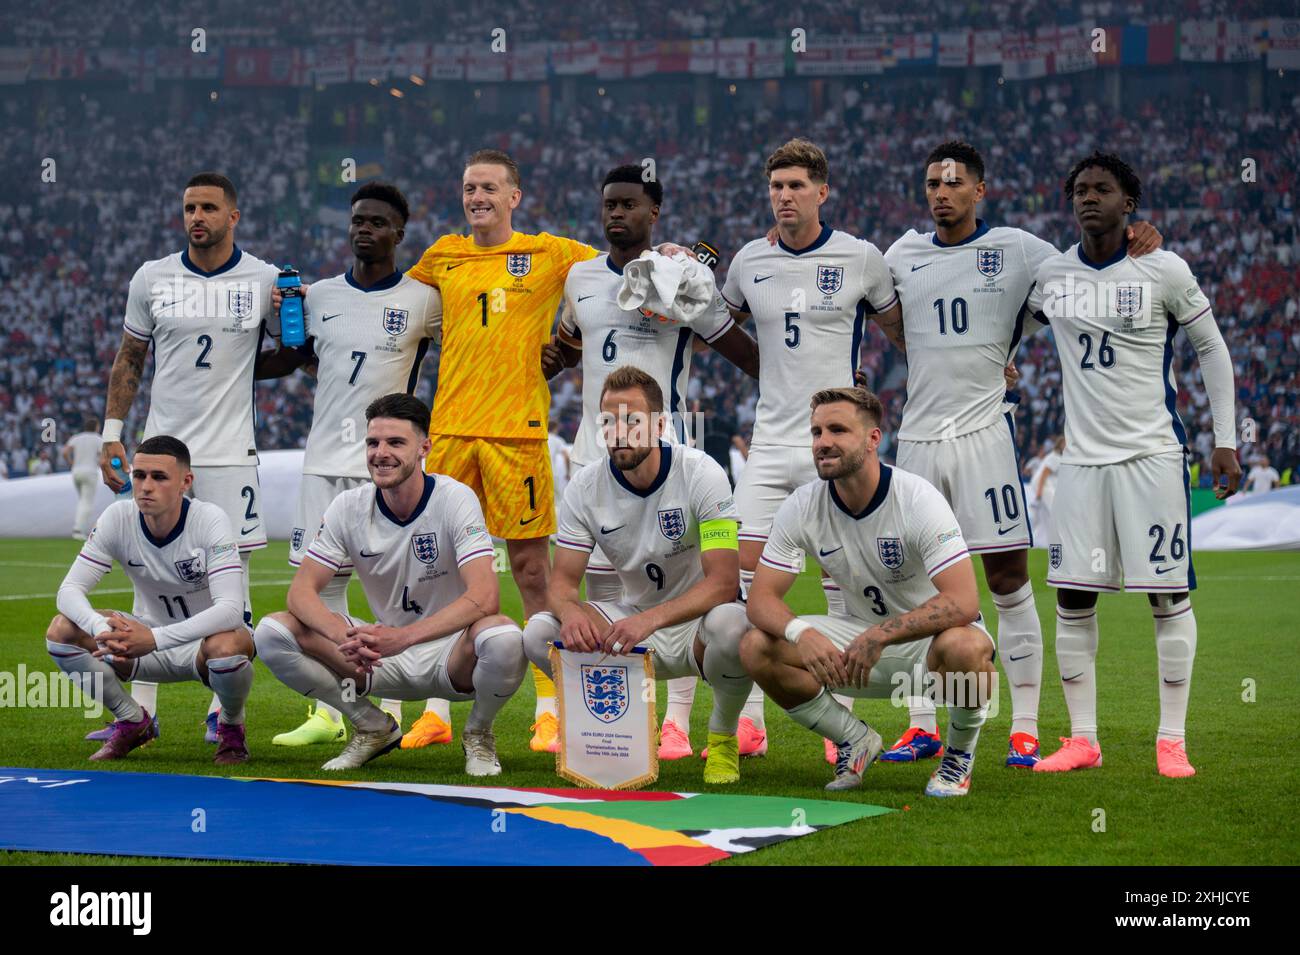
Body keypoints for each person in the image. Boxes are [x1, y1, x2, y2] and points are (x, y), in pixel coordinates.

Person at [880, 140, 1164, 767]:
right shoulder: (901, 254)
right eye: (931, 184)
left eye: (954, 183)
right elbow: (875, 307)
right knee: (909, 583)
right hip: (919, 439)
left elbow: (1089, 267)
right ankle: (922, 723)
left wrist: (1140, 234)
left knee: (1007, 581)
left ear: (979, 191)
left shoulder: (1018, 250)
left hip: (985, 439)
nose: (941, 193)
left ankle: (1025, 727)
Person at [1025, 151, 1240, 777]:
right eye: (1081, 190)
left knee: (1168, 596)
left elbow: (1211, 348)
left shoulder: (1163, 268)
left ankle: (1171, 740)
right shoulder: (1052, 274)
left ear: (1130, 203)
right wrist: (1005, 367)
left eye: (1104, 189)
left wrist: (1223, 438)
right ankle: (1083, 740)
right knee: (1071, 596)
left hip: (1151, 456)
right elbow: (1011, 325)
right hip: (1082, 465)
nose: (1090, 197)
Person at [542, 164, 758, 758]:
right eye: (609, 203)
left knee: (681, 579)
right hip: (595, 451)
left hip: (669, 449)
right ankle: (615, 728)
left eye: (630, 204)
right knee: (606, 593)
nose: (617, 213)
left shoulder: (681, 277)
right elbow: (564, 350)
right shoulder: (580, 278)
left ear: (653, 211)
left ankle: (679, 724)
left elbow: (740, 350)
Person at [401, 149, 601, 751]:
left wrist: (565, 347)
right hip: (453, 430)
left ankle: (552, 710)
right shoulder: (442, 256)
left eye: (490, 187)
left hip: (518, 433)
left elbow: (618, 270)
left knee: (532, 571)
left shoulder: (552, 253)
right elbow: (388, 305)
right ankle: (435, 709)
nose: (477, 196)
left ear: (515, 196)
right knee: (436, 570)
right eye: (469, 187)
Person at [720, 138, 903, 765]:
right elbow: (715, 324)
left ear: (822, 191)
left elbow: (903, 332)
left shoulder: (861, 258)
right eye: (776, 186)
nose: (785, 196)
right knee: (743, 578)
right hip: (771, 443)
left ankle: (841, 725)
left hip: (836, 441)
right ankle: (748, 722)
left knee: (841, 580)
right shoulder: (747, 261)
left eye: (797, 185)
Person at [95, 172, 294, 743]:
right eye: (188, 207)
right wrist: (113, 431)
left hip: (231, 456)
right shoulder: (153, 278)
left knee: (236, 581)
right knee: (144, 572)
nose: (196, 216)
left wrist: (287, 321)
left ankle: (224, 713)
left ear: (234, 215)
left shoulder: (264, 279)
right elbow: (130, 355)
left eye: (208, 207)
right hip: (160, 448)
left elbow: (287, 358)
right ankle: (139, 715)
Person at [741, 387, 996, 797]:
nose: (823, 442)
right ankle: (854, 739)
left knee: (967, 647)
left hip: (928, 652)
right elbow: (760, 600)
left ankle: (958, 759)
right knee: (757, 646)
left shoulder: (916, 498)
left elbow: (964, 601)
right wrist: (801, 634)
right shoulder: (802, 505)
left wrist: (881, 635)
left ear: (873, 439)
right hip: (855, 649)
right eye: (817, 432)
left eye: (838, 430)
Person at [253, 394, 527, 775]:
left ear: (424, 447)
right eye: (373, 443)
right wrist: (342, 636)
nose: (381, 453)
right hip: (377, 658)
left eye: (395, 443)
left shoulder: (454, 498)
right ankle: (372, 726)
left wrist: (406, 637)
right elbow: (300, 592)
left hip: (451, 657)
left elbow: (485, 597)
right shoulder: (348, 506)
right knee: (271, 631)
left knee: (505, 636)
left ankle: (479, 733)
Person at [261, 182, 440, 748]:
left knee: (402, 589)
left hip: (388, 463)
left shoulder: (423, 301)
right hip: (323, 462)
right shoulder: (320, 298)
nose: (365, 229)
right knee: (322, 589)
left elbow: (467, 351)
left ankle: (411, 704)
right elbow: (297, 359)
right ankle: (336, 714)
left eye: (377, 222)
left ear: (398, 233)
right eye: (358, 220)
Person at [520, 366, 752, 783]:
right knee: (539, 631)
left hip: (693, 628)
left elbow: (723, 583)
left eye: (632, 420)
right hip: (629, 624)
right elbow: (561, 585)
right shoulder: (585, 487)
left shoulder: (702, 473)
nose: (619, 431)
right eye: (609, 421)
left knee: (737, 626)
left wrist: (648, 620)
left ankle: (721, 739)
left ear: (660, 425)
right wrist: (572, 615)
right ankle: (613, 736)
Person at [46, 435, 253, 765]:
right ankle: (131, 720)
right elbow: (68, 591)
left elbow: (230, 610)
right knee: (62, 630)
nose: (145, 487)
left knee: (229, 647)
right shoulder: (118, 517)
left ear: (186, 482)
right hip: (138, 644)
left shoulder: (210, 519)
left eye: (159, 477)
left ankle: (230, 724)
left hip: (203, 648)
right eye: (139, 475)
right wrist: (100, 626)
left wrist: (154, 639)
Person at [62, 416, 102, 540]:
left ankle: (80, 526)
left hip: (76, 472)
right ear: (96, 427)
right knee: (86, 502)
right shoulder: (98, 439)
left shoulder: (76, 437)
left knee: (82, 501)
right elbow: (102, 456)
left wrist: (71, 463)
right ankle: (78, 530)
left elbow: (64, 452)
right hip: (90, 472)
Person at [1030, 436, 1065, 548]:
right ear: (1060, 444)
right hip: (1044, 487)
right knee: (1056, 512)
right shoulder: (1055, 457)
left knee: (1044, 515)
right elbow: (1044, 473)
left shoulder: (1056, 457)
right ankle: (1058, 539)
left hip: (1044, 486)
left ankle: (1042, 540)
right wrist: (1039, 492)